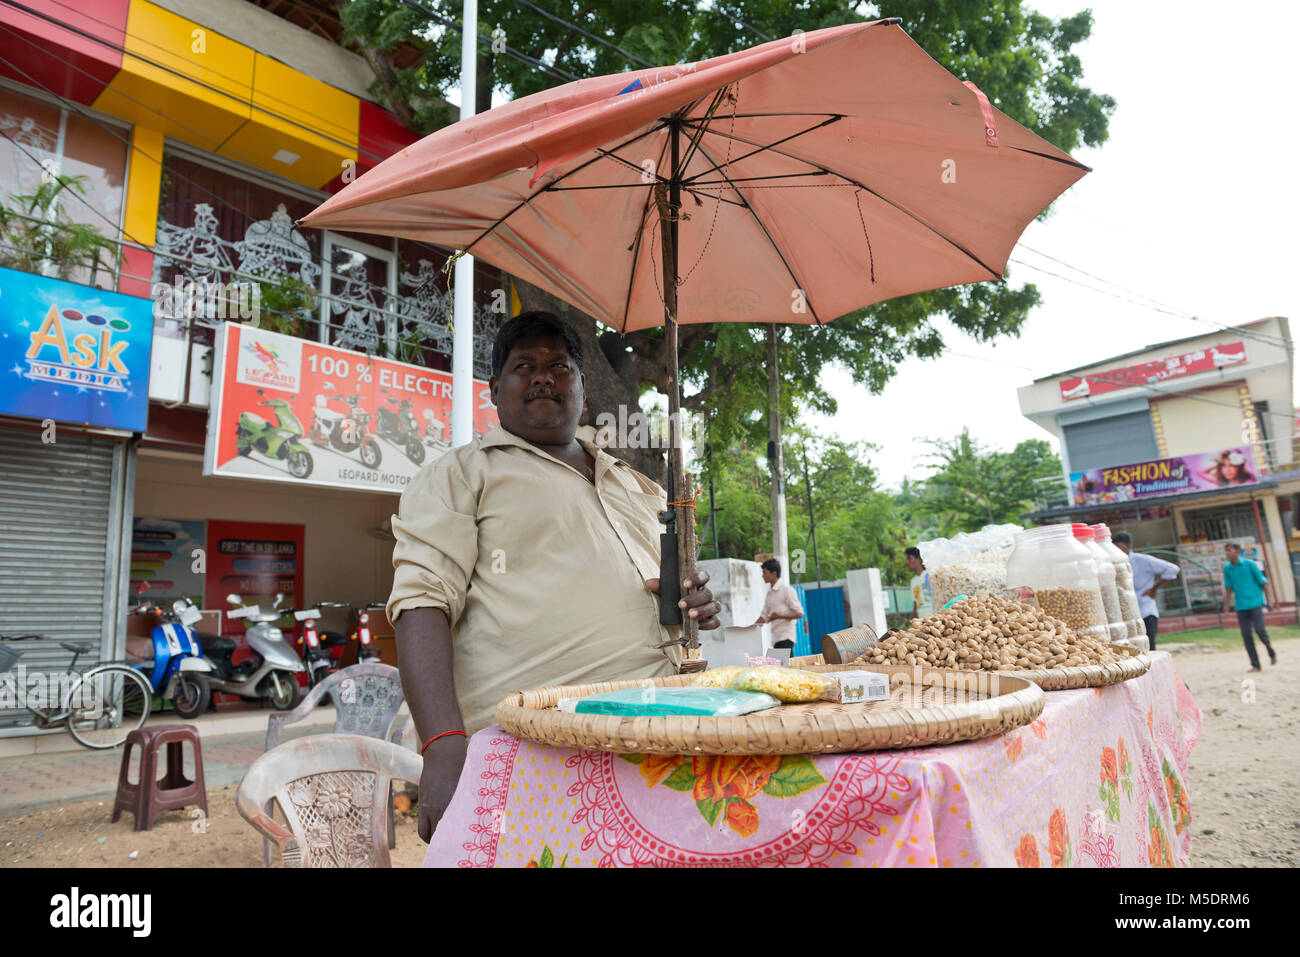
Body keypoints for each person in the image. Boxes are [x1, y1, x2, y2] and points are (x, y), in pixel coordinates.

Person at [388, 311, 721, 841]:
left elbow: (674, 597)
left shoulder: (643, 488)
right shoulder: (459, 476)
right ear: (495, 391)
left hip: (666, 733)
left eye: (559, 366)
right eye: (524, 366)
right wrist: (444, 743)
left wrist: (696, 604)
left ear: (583, 391)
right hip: (539, 748)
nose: (543, 377)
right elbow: (420, 604)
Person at [1112, 531, 1179, 649]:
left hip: (1145, 612)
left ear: (1128, 547)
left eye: (1120, 548)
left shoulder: (1142, 560)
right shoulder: (1112, 564)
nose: (1117, 551)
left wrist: (1154, 588)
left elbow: (1172, 569)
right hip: (1126, 617)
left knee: (1149, 648)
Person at [1222, 542, 1278, 672]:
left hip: (1255, 602)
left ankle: (1271, 652)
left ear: (1237, 551)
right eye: (1226, 551)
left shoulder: (1250, 565)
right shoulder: (1227, 569)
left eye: (1229, 550)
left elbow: (1263, 582)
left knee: (1260, 630)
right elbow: (1228, 588)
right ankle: (1255, 665)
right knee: (1246, 635)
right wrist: (1226, 607)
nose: (1227, 553)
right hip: (1241, 606)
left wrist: (1269, 600)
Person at [754, 559, 804, 648]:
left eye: (765, 573)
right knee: (783, 662)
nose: (763, 576)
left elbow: (799, 613)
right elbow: (763, 616)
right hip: (776, 638)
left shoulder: (787, 590)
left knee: (782, 661)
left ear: (774, 573)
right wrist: (748, 630)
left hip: (786, 636)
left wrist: (779, 616)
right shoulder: (770, 593)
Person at [904, 547, 935, 618]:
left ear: (920, 560)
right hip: (922, 620)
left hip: (935, 618)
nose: (907, 562)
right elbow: (915, 603)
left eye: (910, 558)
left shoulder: (930, 575)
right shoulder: (913, 581)